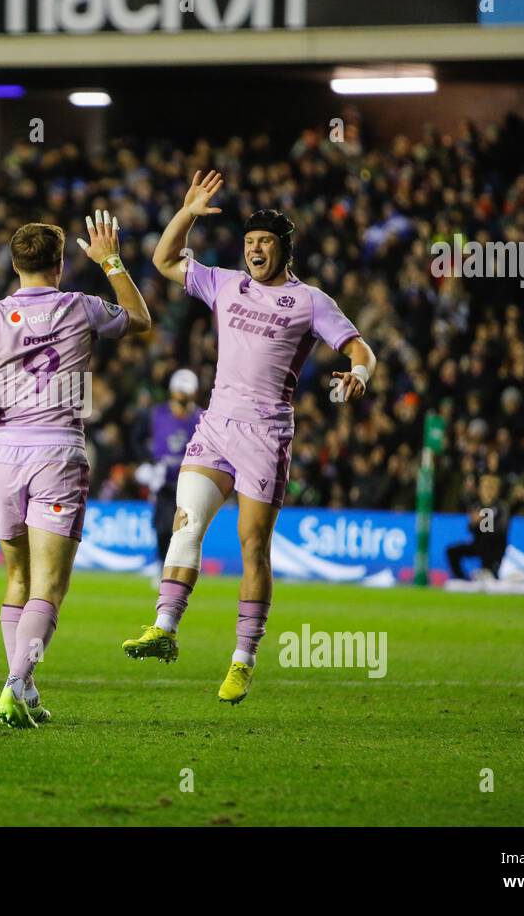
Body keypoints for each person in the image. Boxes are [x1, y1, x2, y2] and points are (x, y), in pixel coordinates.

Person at [121, 170, 375, 705]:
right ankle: (165, 628)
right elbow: (165, 261)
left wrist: (360, 375)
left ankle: (243, 659)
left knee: (252, 547)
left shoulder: (310, 302)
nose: (256, 250)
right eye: (250, 242)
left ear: (284, 250)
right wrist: (187, 212)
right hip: (215, 425)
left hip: (265, 434)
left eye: (265, 243)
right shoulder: (224, 282)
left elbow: (360, 349)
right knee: (184, 525)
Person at [0, 211, 151, 728]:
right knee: (48, 585)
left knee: (17, 578)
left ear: (14, 264)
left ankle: (24, 688)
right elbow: (139, 319)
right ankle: (15, 685)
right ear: (59, 264)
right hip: (58, 454)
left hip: (5, 455)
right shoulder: (79, 306)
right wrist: (111, 260)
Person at [134, 369, 203, 569]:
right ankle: (161, 565)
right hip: (163, 480)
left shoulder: (200, 417)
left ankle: (182, 567)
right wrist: (147, 463)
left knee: (185, 529)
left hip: (189, 480)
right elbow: (136, 439)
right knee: (163, 527)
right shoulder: (157, 413)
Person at [446, 473, 510, 581]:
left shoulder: (501, 507)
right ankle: (461, 579)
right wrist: (474, 523)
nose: (486, 491)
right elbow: (471, 529)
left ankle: (491, 573)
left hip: (495, 547)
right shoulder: (477, 505)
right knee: (452, 551)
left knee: (488, 543)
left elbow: (501, 530)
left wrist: (483, 520)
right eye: (483, 487)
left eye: (489, 488)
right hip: (479, 544)